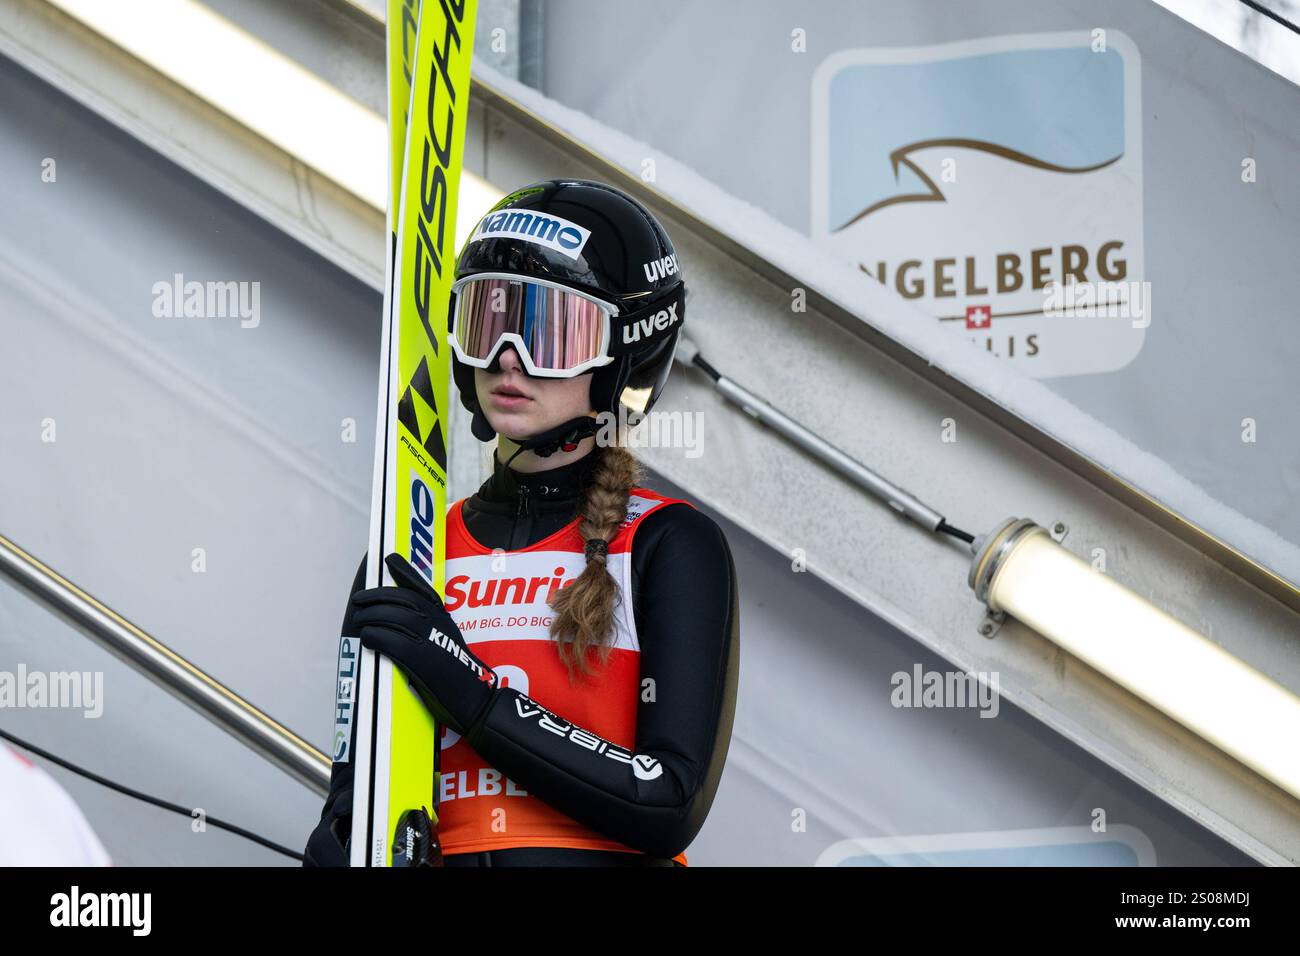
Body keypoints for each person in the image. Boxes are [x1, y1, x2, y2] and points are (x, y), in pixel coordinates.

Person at [305, 179, 739, 867]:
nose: (508, 357)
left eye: (550, 333)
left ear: (625, 353)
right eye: (487, 319)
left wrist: (471, 693)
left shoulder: (666, 542)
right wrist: (341, 841)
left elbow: (669, 802)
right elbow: (350, 799)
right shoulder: (409, 549)